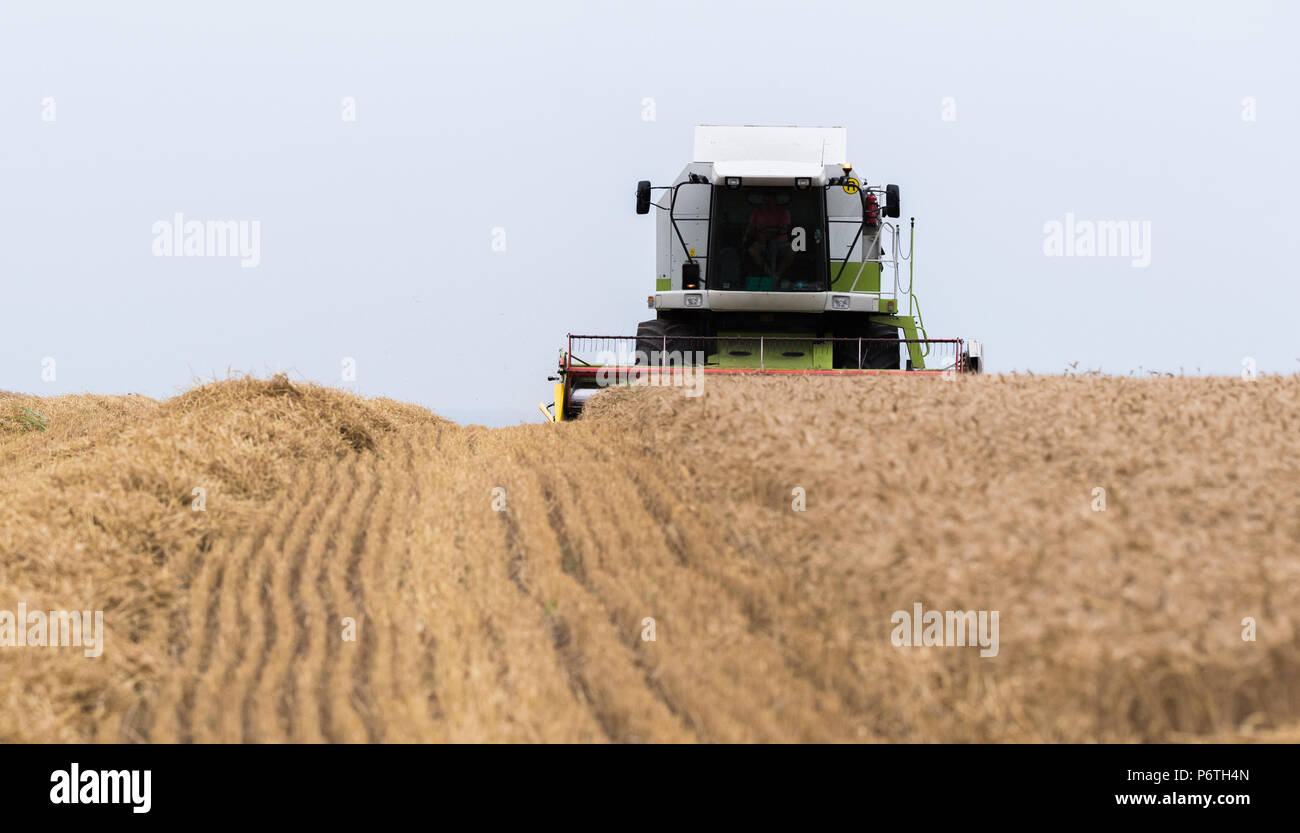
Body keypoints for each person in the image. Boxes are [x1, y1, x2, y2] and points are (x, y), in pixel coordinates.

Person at [744, 194, 795, 278]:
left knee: (792, 251)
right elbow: (751, 227)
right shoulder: (757, 212)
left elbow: (784, 227)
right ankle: (769, 273)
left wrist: (773, 232)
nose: (768, 203)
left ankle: (778, 274)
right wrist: (746, 237)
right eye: (765, 201)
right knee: (752, 250)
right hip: (762, 243)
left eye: (770, 201)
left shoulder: (784, 212)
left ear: (775, 202)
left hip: (781, 243)